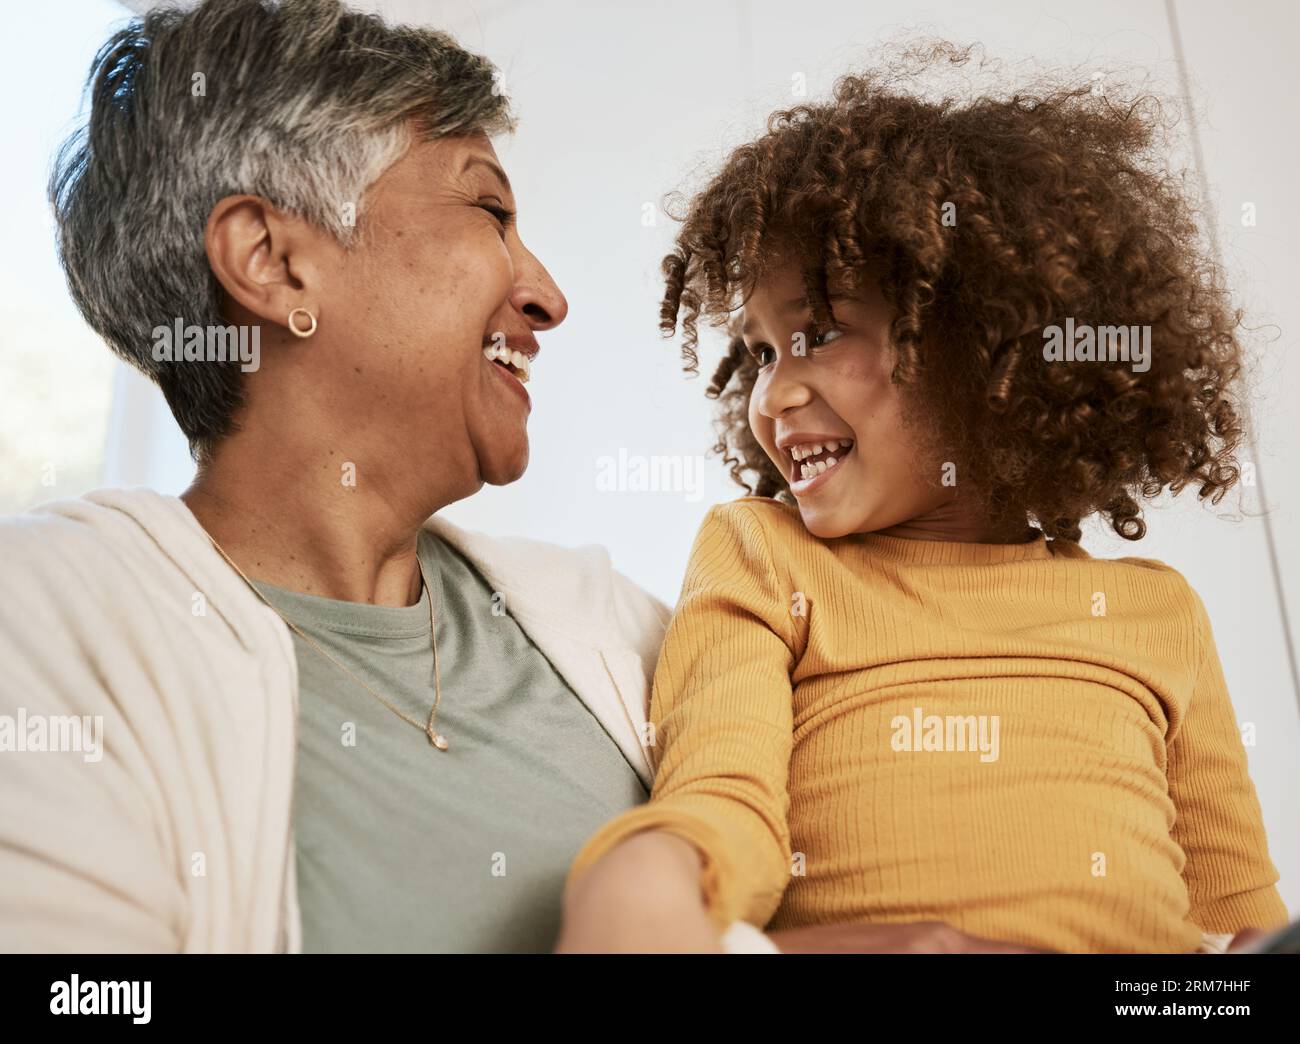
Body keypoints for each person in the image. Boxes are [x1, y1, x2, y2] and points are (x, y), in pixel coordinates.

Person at [0, 0, 1035, 955]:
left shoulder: (621, 630)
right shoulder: (46, 621)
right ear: (272, 261)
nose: (545, 295)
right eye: (489, 211)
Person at [558, 48, 1290, 953]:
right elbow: (724, 807)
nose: (771, 395)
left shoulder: (1157, 610)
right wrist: (646, 879)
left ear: (987, 350)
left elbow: (1237, 922)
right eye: (759, 352)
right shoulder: (762, 555)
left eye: (817, 332)